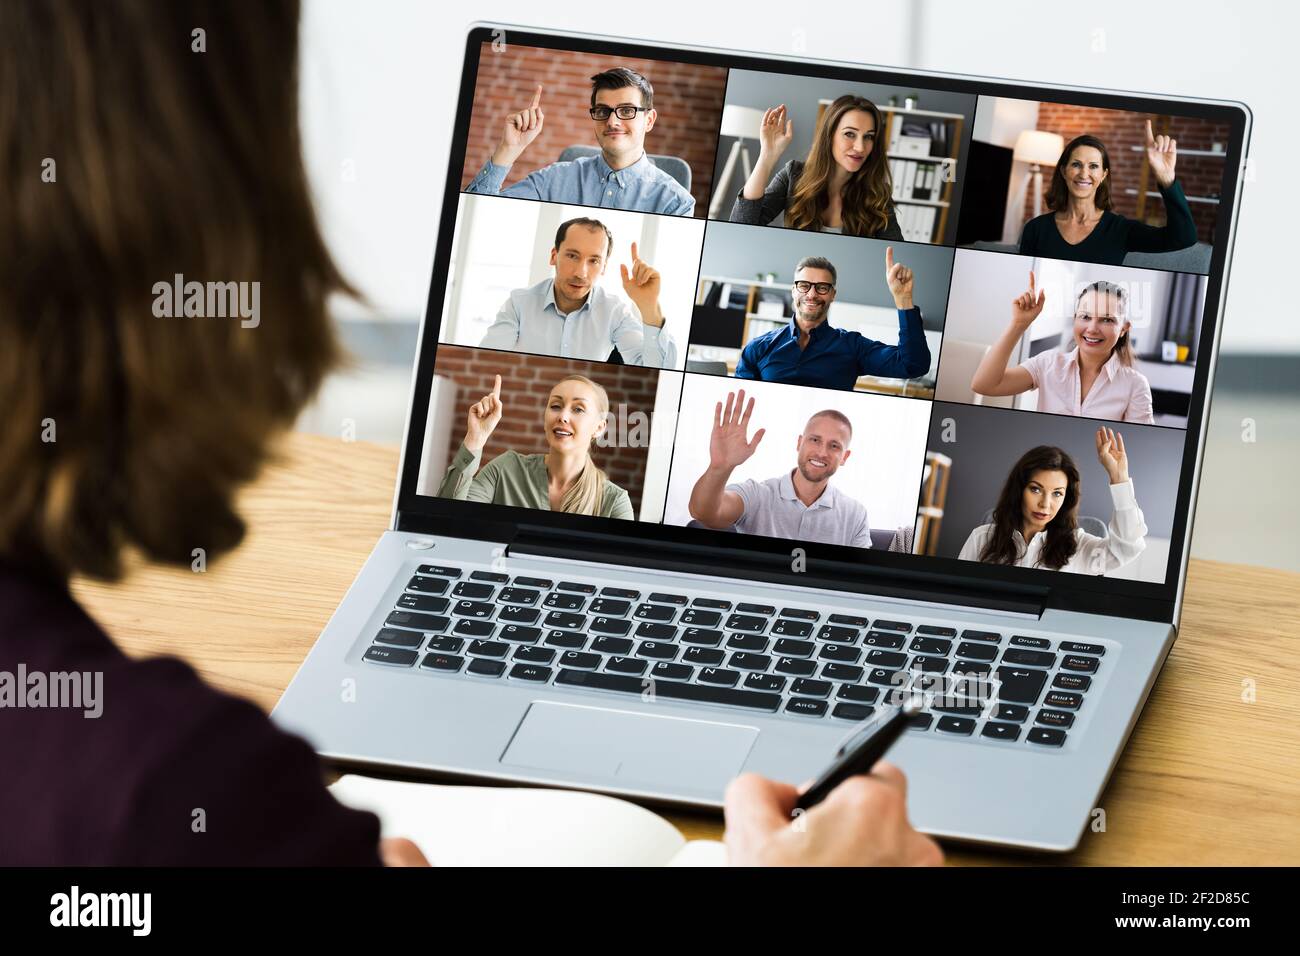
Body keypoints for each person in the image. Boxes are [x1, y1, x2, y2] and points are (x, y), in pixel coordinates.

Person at [0, 0, 940, 867]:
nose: (614, 128)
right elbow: (646, 494)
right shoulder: (180, 797)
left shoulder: (662, 313)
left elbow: (896, 369)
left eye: (628, 115)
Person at [464, 68, 695, 215]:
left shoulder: (676, 203)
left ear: (649, 120)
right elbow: (474, 216)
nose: (613, 121)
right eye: (603, 111)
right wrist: (508, 150)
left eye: (626, 111)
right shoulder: (553, 179)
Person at [480, 218, 678, 368]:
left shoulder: (615, 312)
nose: (581, 273)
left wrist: (650, 307)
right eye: (572, 256)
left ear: (603, 267)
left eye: (594, 260)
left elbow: (656, 369)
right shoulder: (519, 303)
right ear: (554, 256)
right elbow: (489, 360)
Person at [688, 390, 871, 548]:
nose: (822, 452)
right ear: (799, 443)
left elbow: (860, 578)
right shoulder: (758, 494)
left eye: (834, 446)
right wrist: (720, 467)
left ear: (845, 457)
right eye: (815, 440)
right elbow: (703, 513)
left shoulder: (855, 514)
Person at [439, 374, 634, 519]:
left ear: (599, 427)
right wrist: (475, 438)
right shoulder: (506, 469)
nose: (563, 416)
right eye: (556, 406)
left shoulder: (614, 501)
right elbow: (447, 519)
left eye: (578, 409)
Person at [971, 272, 1154, 423]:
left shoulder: (1135, 385)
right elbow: (984, 385)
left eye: (1107, 320)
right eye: (1085, 317)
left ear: (1124, 328)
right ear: (1075, 318)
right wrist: (1019, 324)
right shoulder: (1047, 363)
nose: (1092, 329)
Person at [734, 248, 931, 389]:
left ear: (832, 294)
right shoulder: (757, 348)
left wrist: (903, 298)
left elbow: (913, 366)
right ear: (794, 291)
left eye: (821, 287)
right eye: (804, 285)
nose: (811, 294)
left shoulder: (853, 346)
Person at [957, 430, 1148, 574]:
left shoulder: (1079, 547)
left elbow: (1127, 547)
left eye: (1057, 493)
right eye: (1036, 489)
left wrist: (1119, 476)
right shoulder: (981, 538)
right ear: (1019, 490)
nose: (1045, 504)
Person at [1016, 124, 1198, 265]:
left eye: (1093, 166)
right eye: (1076, 164)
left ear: (1103, 175)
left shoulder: (1120, 230)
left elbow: (1184, 238)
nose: (1084, 174)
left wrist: (1167, 180)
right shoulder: (1035, 229)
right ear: (1064, 171)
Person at [728, 94, 904, 239]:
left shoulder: (877, 194)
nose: (860, 147)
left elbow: (895, 252)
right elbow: (740, 226)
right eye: (850, 134)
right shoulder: (794, 175)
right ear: (830, 135)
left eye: (868, 137)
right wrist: (767, 156)